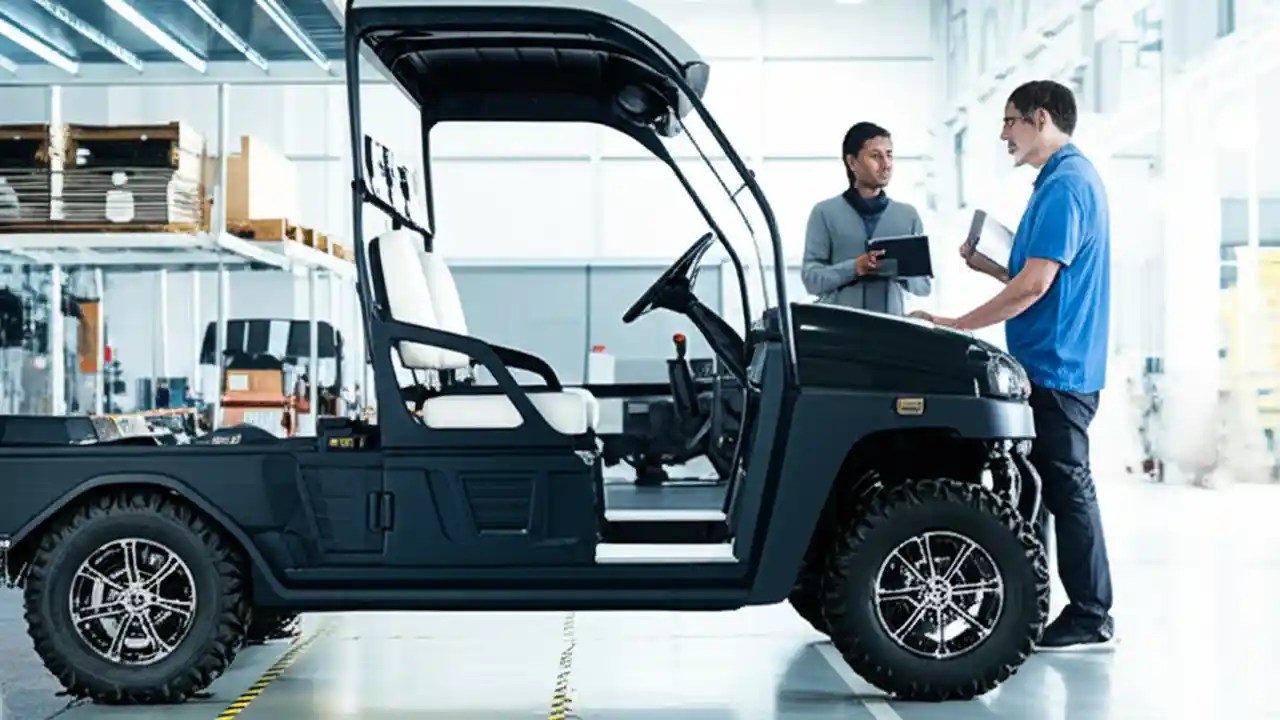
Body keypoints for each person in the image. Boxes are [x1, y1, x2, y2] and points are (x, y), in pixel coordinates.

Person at [912, 80, 1115, 651]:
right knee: (1052, 488)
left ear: (1040, 118)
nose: (1003, 133)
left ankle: (1092, 614)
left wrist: (956, 325)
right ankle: (1054, 605)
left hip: (1057, 367)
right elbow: (1038, 281)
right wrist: (988, 267)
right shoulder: (1057, 182)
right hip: (1049, 359)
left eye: (1010, 121)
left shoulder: (1067, 186)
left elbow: (1034, 286)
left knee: (1068, 489)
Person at [801, 122, 931, 315]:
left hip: (891, 333)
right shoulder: (824, 213)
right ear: (852, 162)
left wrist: (900, 269)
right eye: (875, 156)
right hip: (839, 334)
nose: (886, 164)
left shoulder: (908, 216)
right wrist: (855, 267)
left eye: (889, 155)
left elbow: (924, 287)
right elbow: (811, 280)